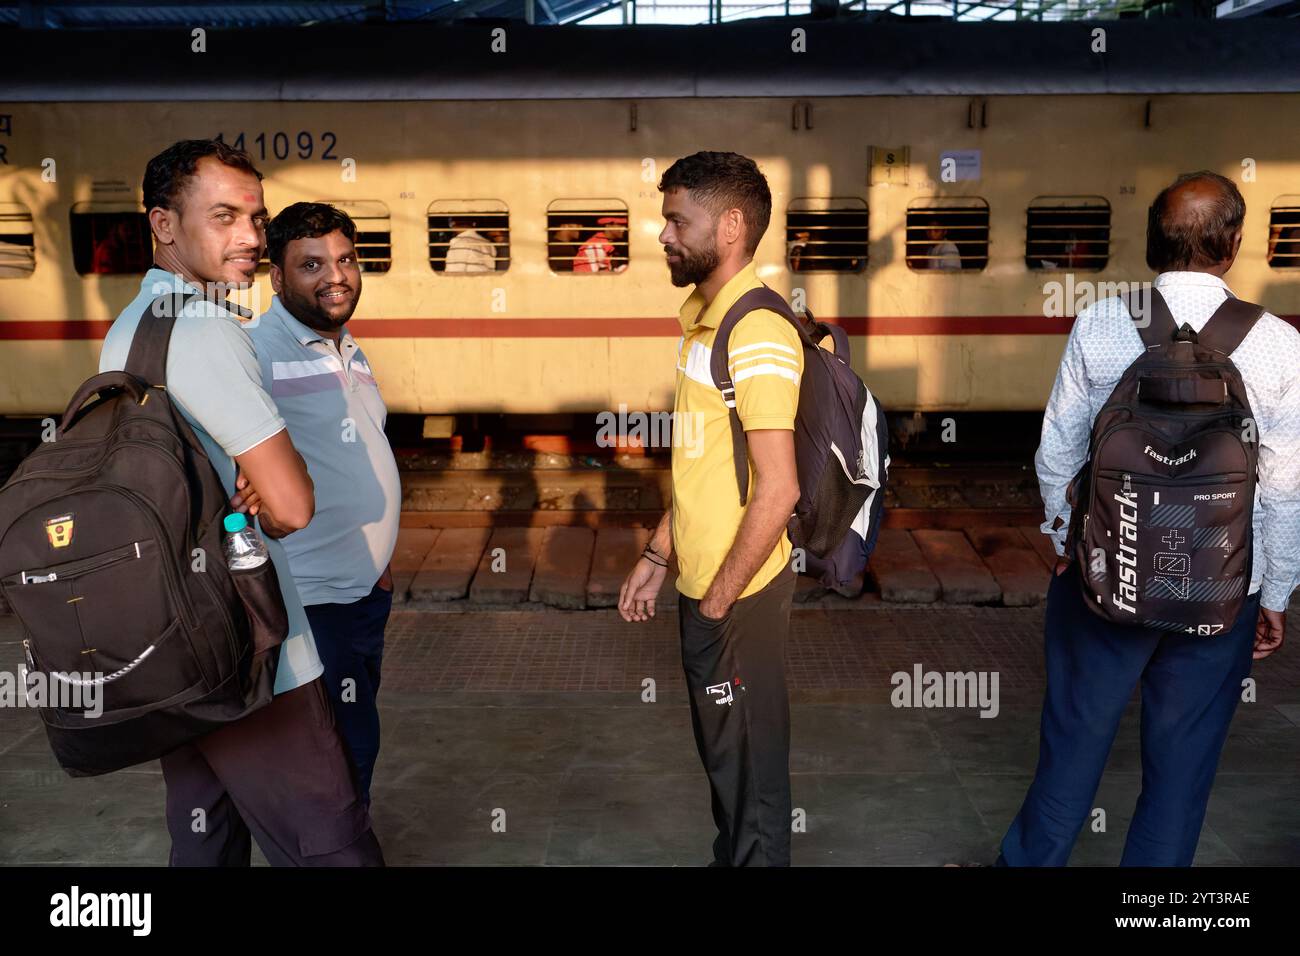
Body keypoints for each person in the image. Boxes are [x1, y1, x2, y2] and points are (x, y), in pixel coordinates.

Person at [998, 170, 1299, 867]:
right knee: (1181, 774)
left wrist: (1064, 542)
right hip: (1223, 593)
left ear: (1153, 244)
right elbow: (1284, 489)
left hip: (1104, 579)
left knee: (1069, 750)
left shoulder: (1103, 322)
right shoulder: (1279, 342)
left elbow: (1058, 451)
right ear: (1232, 244)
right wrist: (1274, 592)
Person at [99, 139, 384, 867]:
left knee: (204, 836)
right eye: (224, 217)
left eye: (255, 217)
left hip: (175, 639)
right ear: (164, 224)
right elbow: (290, 506)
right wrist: (265, 486)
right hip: (249, 644)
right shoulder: (206, 328)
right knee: (331, 839)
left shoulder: (129, 326)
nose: (253, 237)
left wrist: (240, 482)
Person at [618, 151, 803, 867]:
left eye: (675, 219)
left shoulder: (755, 332)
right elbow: (700, 465)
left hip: (739, 594)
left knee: (753, 776)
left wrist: (721, 602)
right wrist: (659, 555)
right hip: (704, 587)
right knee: (727, 765)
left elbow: (778, 488)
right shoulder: (704, 323)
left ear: (729, 227)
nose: (662, 234)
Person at [248, 202, 401, 807]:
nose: (335, 276)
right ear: (277, 278)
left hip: (364, 594)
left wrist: (380, 564)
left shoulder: (345, 345)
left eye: (344, 260)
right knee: (340, 750)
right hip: (311, 602)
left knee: (352, 742)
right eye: (311, 264)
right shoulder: (255, 354)